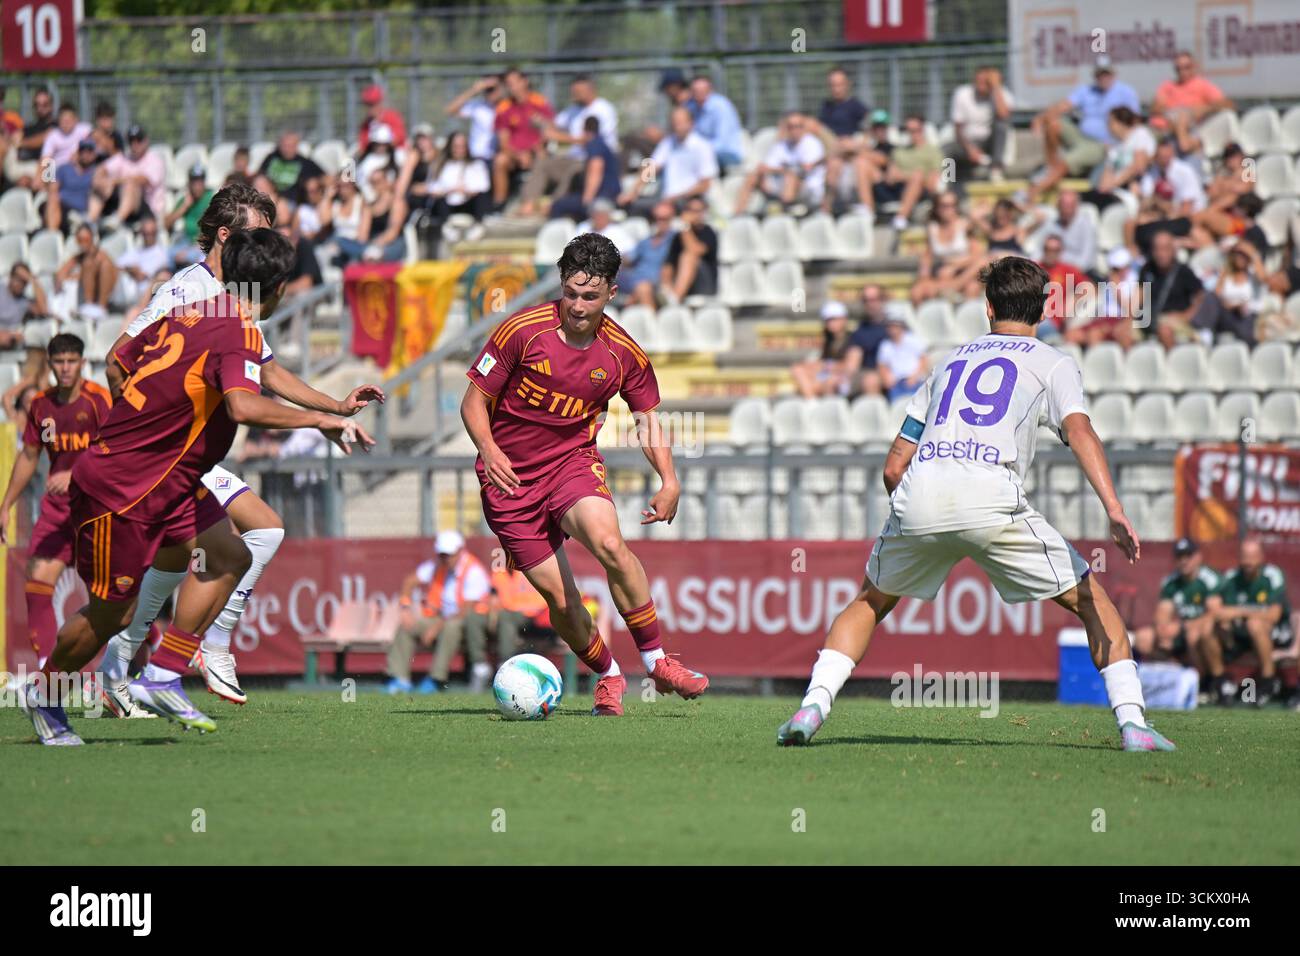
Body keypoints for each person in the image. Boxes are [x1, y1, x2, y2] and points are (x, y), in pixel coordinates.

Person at [778, 255, 1172, 753]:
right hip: (991, 497)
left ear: (988, 308)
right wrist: (1113, 508)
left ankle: (812, 706)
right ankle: (1134, 725)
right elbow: (1079, 430)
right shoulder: (1053, 363)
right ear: (1047, 308)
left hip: (922, 490)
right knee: (1093, 604)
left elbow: (893, 468)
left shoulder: (948, 362)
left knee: (869, 602)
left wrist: (913, 518)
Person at [18, 229, 372, 745]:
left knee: (230, 555)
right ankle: (45, 694)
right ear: (273, 290)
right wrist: (315, 424)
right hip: (123, 489)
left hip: (170, 480)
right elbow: (243, 406)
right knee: (110, 614)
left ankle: (162, 675)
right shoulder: (237, 331)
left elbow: (130, 357)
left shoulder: (202, 314)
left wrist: (335, 408)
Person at [97, 183, 386, 714]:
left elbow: (268, 370)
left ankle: (140, 662)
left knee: (225, 542)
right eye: (257, 233)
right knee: (242, 538)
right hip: (157, 454)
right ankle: (178, 654)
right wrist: (144, 427)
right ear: (226, 236)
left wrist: (336, 409)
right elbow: (118, 357)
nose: (265, 246)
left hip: (184, 454)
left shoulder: (235, 300)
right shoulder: (186, 292)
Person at [461, 233, 710, 717]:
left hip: (571, 464)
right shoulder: (522, 330)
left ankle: (658, 662)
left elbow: (647, 419)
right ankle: (609, 675)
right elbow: (474, 400)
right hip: (509, 481)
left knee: (610, 543)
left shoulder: (622, 353)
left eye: (590, 296)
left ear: (612, 293)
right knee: (560, 596)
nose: (577, 305)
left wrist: (670, 480)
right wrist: (488, 449)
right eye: (570, 293)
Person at [0, 335, 112, 668]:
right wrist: (6, 505)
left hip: (96, 509)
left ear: (82, 363)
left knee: (112, 598)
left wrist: (75, 474)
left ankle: (148, 640)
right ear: (50, 365)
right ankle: (52, 673)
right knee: (36, 582)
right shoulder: (41, 405)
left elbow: (113, 453)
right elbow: (29, 455)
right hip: (57, 511)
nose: (65, 368)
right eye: (59, 361)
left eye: (71, 361)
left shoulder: (98, 401)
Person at [386, 530, 492, 694]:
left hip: (467, 624)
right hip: (439, 617)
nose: (445, 558)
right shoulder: (437, 565)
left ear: (460, 551)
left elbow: (464, 611)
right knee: (408, 623)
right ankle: (399, 678)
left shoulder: (474, 571)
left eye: (449, 555)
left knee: (451, 626)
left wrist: (435, 629)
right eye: (442, 555)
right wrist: (405, 608)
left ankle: (436, 679)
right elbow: (410, 581)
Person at [1028, 60, 1140, 204]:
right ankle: (1051, 168)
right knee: (1053, 123)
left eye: (1107, 74)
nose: (1104, 78)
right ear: (1095, 75)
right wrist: (1041, 118)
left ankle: (1032, 192)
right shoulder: (1086, 91)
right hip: (1083, 138)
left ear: (1114, 75)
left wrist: (1121, 144)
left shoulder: (1126, 93)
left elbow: (1135, 123)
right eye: (1100, 74)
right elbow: (1063, 106)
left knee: (1067, 161)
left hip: (1104, 145)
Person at [1133, 538, 1228, 704]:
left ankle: (1208, 683)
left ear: (1198, 557)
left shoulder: (1210, 579)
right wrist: (1162, 629)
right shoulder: (1171, 582)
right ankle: (1165, 680)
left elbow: (1215, 614)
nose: (1184, 561)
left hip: (1209, 633)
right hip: (1181, 632)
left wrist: (1182, 627)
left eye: (1188, 555)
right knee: (1143, 638)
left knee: (1195, 634)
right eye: (1179, 556)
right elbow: (1163, 612)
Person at [518, 74, 619, 218]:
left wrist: (559, 137)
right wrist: (541, 122)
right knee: (543, 164)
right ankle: (528, 204)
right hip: (572, 156)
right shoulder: (573, 109)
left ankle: (552, 206)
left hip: (590, 161)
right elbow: (555, 125)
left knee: (573, 171)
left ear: (590, 90)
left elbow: (592, 140)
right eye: (573, 92)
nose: (574, 96)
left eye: (578, 92)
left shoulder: (603, 109)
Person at [1208, 538, 1292, 707]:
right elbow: (1216, 611)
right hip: (1239, 635)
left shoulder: (1272, 575)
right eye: (1244, 557)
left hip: (1275, 633)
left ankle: (1269, 680)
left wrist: (1239, 612)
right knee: (1207, 628)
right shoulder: (1231, 577)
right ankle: (1220, 682)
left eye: (1252, 557)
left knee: (1255, 624)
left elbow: (1273, 616)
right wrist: (1237, 613)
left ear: (1261, 557)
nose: (1247, 562)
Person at [618, 105, 717, 218]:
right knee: (629, 206)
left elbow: (705, 185)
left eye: (680, 122)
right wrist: (633, 192)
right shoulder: (668, 142)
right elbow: (651, 167)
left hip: (687, 201)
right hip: (665, 199)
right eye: (674, 122)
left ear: (691, 123)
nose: (677, 126)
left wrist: (675, 198)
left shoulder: (702, 146)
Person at [732, 111, 826, 215]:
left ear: (803, 127)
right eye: (791, 127)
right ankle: (738, 214)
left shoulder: (811, 143)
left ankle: (784, 216)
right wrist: (778, 171)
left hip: (808, 189)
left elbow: (804, 169)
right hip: (783, 184)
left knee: (791, 178)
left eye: (798, 126)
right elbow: (766, 167)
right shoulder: (782, 145)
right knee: (753, 175)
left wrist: (781, 170)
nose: (794, 130)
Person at [491, 67, 554, 210]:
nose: (510, 87)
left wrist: (534, 150)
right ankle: (499, 205)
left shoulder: (539, 102)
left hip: (537, 151)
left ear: (524, 82)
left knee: (542, 157)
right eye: (508, 83)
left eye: (513, 82)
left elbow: (549, 131)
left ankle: (538, 203)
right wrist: (518, 155)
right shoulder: (504, 107)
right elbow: (503, 142)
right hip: (514, 155)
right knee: (500, 160)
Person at [943, 66, 1014, 186]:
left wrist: (996, 87)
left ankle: (996, 170)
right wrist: (970, 149)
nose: (981, 85)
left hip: (990, 144)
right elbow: (958, 128)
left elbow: (1004, 115)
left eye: (985, 81)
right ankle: (947, 182)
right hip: (967, 143)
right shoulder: (962, 94)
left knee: (1001, 125)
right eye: (978, 81)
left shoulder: (1002, 94)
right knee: (947, 150)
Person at [1138, 230, 1205, 347]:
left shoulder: (1184, 272)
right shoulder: (1147, 269)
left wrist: (1186, 315)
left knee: (1164, 330)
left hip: (1174, 319)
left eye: (1165, 249)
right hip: (1150, 317)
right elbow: (1139, 295)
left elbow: (1201, 295)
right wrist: (1129, 318)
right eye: (1157, 249)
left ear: (1173, 251)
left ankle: (1172, 364)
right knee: (1122, 332)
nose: (1160, 253)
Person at [548, 117, 622, 222]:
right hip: (609, 194)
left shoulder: (594, 145)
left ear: (584, 129)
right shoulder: (601, 143)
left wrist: (587, 199)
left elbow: (596, 170)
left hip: (602, 197)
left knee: (558, 206)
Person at [1080, 107, 1154, 211]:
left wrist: (1113, 185)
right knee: (1084, 199)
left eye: (1111, 122)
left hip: (1133, 189)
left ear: (1121, 123)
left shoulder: (1139, 134)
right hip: (1114, 191)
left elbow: (1138, 166)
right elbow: (1107, 173)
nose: (1108, 126)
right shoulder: (1115, 147)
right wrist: (1104, 190)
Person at [879, 115, 944, 231]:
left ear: (922, 129)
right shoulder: (899, 151)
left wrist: (908, 176)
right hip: (897, 190)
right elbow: (890, 177)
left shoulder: (934, 152)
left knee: (917, 177)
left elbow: (933, 183)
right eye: (908, 130)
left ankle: (901, 217)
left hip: (922, 192)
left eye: (915, 130)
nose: (912, 133)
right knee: (917, 175)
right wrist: (914, 176)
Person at [333, 167, 408, 265]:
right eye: (372, 182)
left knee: (372, 253)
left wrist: (375, 245)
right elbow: (363, 235)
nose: (375, 185)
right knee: (341, 241)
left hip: (392, 244)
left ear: (387, 181)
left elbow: (393, 231)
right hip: (371, 245)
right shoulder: (369, 206)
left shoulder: (397, 202)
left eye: (378, 181)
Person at [1150, 52, 1233, 131]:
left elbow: (1227, 104)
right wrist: (1172, 112)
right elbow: (1156, 107)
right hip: (1162, 128)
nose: (1182, 72)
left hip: (1189, 131)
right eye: (1178, 68)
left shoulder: (1202, 85)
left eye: (1187, 67)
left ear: (1194, 66)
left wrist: (1204, 109)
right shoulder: (1167, 86)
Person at [618, 201, 677, 307]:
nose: (660, 222)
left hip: (657, 283)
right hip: (634, 280)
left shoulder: (676, 239)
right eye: (656, 218)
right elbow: (628, 259)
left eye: (665, 218)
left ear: (672, 218)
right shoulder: (645, 242)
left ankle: (649, 320)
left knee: (642, 288)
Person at [660, 195, 718, 303]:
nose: (694, 214)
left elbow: (696, 251)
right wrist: (667, 286)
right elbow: (669, 263)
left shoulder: (708, 232)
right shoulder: (678, 236)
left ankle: (675, 299)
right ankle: (669, 295)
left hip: (706, 284)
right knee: (667, 266)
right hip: (685, 282)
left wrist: (685, 227)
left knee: (688, 256)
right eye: (690, 210)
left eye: (697, 211)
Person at [791, 300, 855, 397]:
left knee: (827, 382)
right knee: (798, 369)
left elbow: (850, 366)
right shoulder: (828, 340)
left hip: (842, 379)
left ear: (844, 319)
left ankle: (812, 402)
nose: (830, 323)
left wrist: (826, 366)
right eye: (828, 320)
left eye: (834, 319)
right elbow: (821, 363)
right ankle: (812, 403)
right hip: (827, 375)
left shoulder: (853, 339)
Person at [54, 222, 118, 318]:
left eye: (86, 239)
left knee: (94, 265)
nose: (83, 243)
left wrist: (76, 276)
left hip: (101, 296)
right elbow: (60, 275)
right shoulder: (77, 257)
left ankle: (99, 307)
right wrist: (74, 277)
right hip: (80, 298)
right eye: (80, 240)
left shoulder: (102, 257)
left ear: (92, 238)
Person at [686, 74, 744, 172]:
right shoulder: (689, 107)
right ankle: (650, 181)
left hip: (725, 155)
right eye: (695, 91)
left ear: (710, 91)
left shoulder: (721, 107)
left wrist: (696, 151)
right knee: (658, 157)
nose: (699, 94)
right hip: (698, 154)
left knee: (684, 160)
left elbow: (722, 143)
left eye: (702, 90)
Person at [45, 138, 102, 233]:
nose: (86, 154)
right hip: (61, 206)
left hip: (79, 211)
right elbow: (52, 187)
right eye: (83, 151)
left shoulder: (96, 172)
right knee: (52, 198)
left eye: (89, 151)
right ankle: (52, 234)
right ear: (78, 152)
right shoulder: (64, 168)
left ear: (94, 154)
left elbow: (104, 186)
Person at [841, 283, 889, 396]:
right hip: (869, 373)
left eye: (873, 299)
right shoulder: (860, 331)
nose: (869, 304)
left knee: (871, 380)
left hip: (895, 371)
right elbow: (853, 361)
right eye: (865, 300)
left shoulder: (895, 324)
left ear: (882, 300)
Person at [445, 74, 504, 162]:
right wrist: (474, 90)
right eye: (487, 90)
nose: (490, 93)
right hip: (478, 157)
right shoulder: (478, 105)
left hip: (498, 158)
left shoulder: (508, 106)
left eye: (493, 89)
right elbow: (449, 110)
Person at [164, 164, 215, 266]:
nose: (197, 186)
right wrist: (183, 208)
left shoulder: (211, 199)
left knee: (196, 258)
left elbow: (212, 230)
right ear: (189, 183)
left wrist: (188, 252)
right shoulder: (185, 200)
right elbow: (166, 224)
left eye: (200, 181)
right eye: (194, 182)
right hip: (186, 241)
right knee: (166, 256)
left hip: (204, 245)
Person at [113, 215, 169, 305]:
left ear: (156, 232)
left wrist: (129, 269)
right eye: (145, 233)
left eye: (151, 233)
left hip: (145, 294)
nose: (148, 236)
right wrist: (131, 269)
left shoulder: (162, 253)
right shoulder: (136, 250)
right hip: (128, 289)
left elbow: (141, 275)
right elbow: (116, 265)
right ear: (141, 233)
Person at [258, 131, 324, 205]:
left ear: (296, 146)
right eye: (284, 145)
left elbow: (323, 177)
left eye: (290, 146)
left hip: (291, 201)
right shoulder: (272, 158)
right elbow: (259, 174)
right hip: (270, 196)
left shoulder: (305, 163)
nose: (286, 149)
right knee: (260, 181)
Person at [1044, 189, 1097, 278]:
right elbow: (1038, 253)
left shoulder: (1086, 226)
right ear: (1058, 206)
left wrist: (1060, 263)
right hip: (1052, 272)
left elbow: (1085, 261)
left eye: (1069, 205)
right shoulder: (1050, 224)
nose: (1066, 209)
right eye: (1063, 205)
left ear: (1076, 206)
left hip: (1078, 275)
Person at [875, 312, 928, 401]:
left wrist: (914, 377)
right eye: (890, 326)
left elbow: (923, 360)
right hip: (896, 383)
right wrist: (887, 379)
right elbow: (882, 365)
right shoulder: (885, 345)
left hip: (915, 381)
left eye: (895, 326)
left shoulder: (913, 340)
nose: (892, 329)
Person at [0, 263, 49, 348]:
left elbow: (43, 310)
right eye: (17, 279)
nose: (20, 284)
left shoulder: (25, 302)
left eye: (24, 281)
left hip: (13, 339)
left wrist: (31, 279)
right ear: (10, 277)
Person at [38, 103, 92, 173]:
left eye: (68, 121)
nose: (65, 124)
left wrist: (78, 153)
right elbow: (46, 158)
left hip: (80, 168)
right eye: (63, 121)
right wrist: (45, 178)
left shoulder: (84, 129)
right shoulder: (53, 135)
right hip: (58, 170)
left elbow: (96, 139)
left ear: (75, 120)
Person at [358, 84, 407, 151]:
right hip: (374, 155)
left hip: (394, 154)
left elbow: (398, 138)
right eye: (368, 105)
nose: (370, 108)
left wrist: (381, 145)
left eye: (372, 104)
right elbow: (363, 146)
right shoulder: (366, 124)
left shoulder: (392, 117)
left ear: (379, 103)